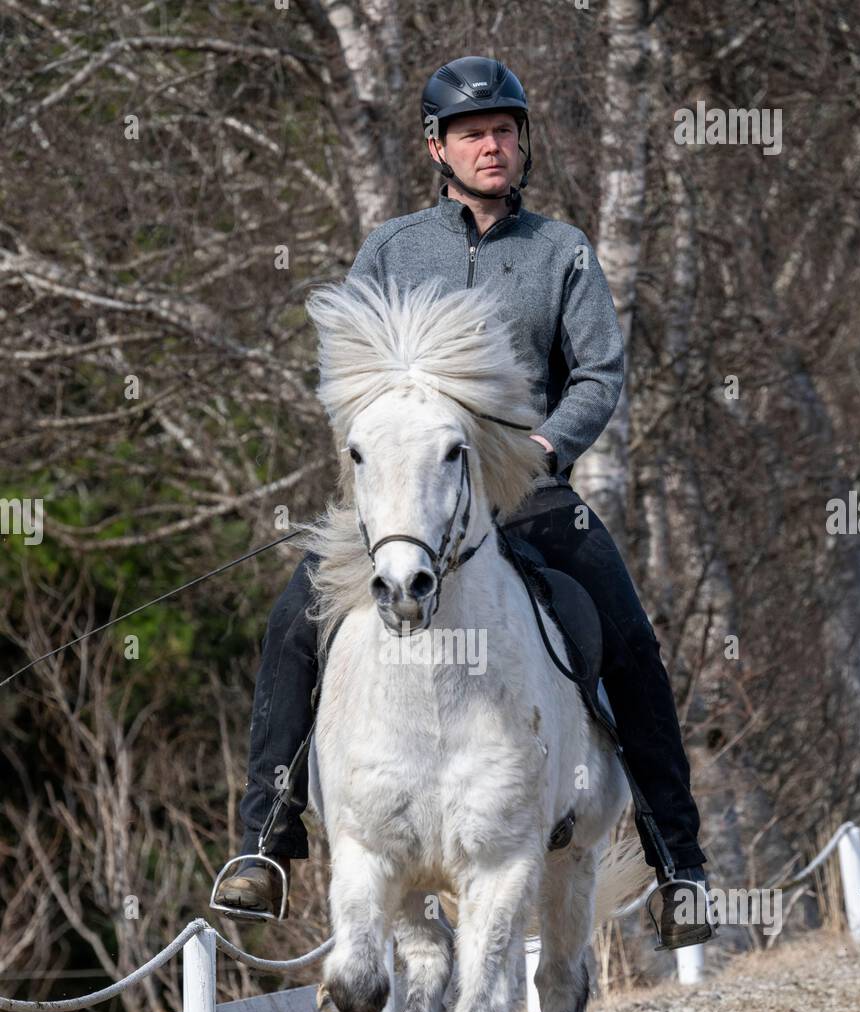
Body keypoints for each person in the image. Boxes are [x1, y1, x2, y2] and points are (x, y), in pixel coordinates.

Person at [213, 55, 711, 950]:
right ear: (437, 147)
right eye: (475, 133)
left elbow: (599, 371)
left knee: (630, 640)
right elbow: (349, 377)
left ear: (523, 144)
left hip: (528, 497)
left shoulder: (561, 252)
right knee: (294, 620)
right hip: (411, 501)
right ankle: (265, 846)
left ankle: (681, 866)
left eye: (506, 131)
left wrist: (548, 443)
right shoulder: (395, 249)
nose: (494, 146)